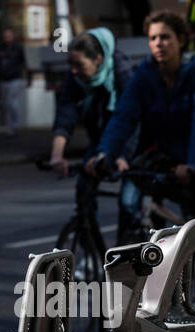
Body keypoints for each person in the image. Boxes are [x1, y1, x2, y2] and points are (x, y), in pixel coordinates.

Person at [89, 10, 195, 311]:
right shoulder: (145, 74)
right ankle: (133, 290)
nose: (158, 44)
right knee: (132, 198)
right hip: (170, 157)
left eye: (165, 38)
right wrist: (106, 154)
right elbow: (124, 117)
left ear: (181, 40)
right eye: (153, 38)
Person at [48, 28, 137, 242]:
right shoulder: (75, 76)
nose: (73, 71)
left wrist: (123, 156)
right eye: (70, 64)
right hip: (100, 138)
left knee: (128, 202)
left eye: (79, 65)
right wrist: (57, 154)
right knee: (84, 193)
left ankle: (130, 251)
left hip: (130, 140)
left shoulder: (121, 72)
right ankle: (90, 249)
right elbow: (66, 113)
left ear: (99, 59)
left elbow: (130, 119)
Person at [0, 27, 29, 136]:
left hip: (15, 78)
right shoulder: (0, 48)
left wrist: (29, 77)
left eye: (8, 36)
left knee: (12, 102)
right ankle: (10, 125)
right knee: (6, 103)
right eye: (5, 36)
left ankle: (13, 125)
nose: (7, 38)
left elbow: (25, 63)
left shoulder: (18, 48)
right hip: (3, 79)